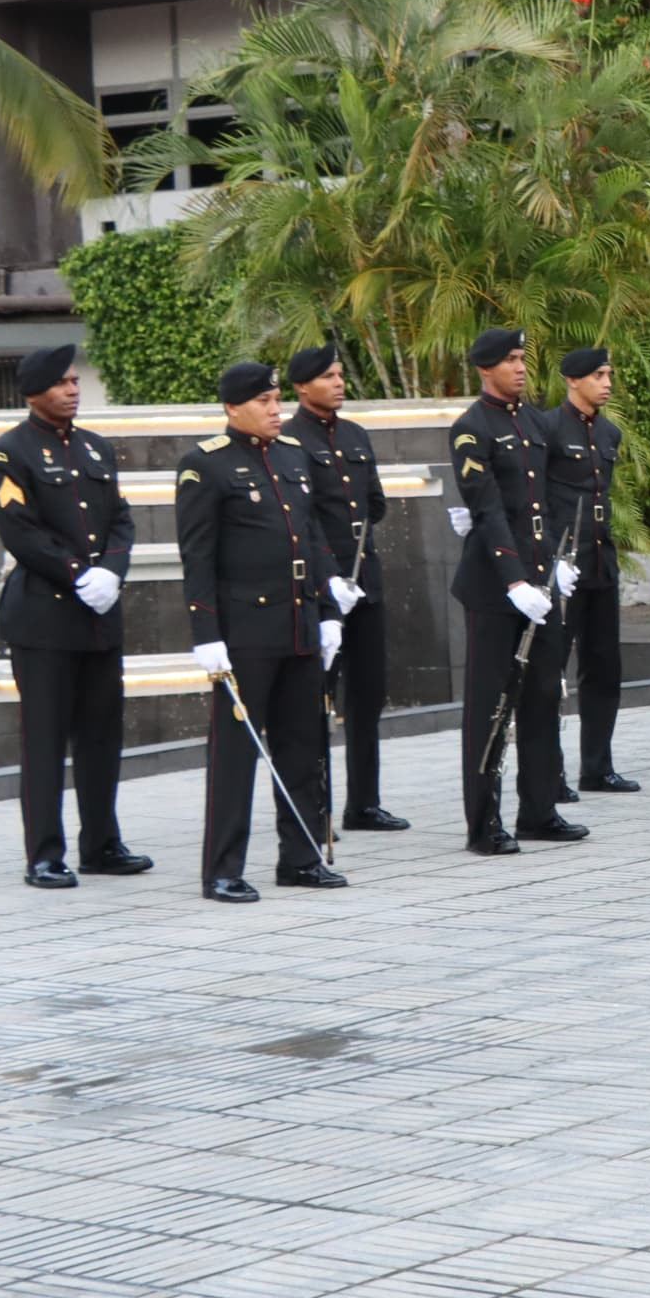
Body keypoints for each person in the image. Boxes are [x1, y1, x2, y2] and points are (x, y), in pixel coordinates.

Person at [179, 361, 347, 901]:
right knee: (235, 755)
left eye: (277, 400)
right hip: (245, 632)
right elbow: (197, 557)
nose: (277, 410)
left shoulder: (294, 457)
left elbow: (312, 536)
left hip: (297, 623)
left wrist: (327, 610)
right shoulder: (205, 466)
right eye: (264, 402)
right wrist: (206, 634)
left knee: (303, 747)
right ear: (233, 408)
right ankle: (223, 869)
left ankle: (300, 858)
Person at [0, 341, 148, 889]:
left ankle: (101, 843)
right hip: (45, 617)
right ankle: (44, 853)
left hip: (99, 616)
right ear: (35, 392)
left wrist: (113, 572)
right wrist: (80, 571)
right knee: (46, 739)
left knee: (102, 735)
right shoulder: (9, 454)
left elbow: (122, 521)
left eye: (76, 382)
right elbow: (20, 530)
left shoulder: (97, 449)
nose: (73, 390)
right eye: (62, 383)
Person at [448, 327, 578, 853]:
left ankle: (539, 810)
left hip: (540, 582)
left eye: (524, 358)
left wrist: (559, 564)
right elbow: (488, 510)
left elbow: (549, 501)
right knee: (490, 707)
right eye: (510, 360)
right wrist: (515, 580)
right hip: (494, 586)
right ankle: (484, 824)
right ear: (485, 369)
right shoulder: (469, 428)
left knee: (543, 697)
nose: (521, 368)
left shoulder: (534, 421)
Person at [281, 344, 398, 833]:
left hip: (363, 577)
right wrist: (327, 576)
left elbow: (375, 503)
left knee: (367, 695)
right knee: (315, 702)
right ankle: (317, 807)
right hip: (319, 584)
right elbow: (298, 520)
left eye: (338, 374)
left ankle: (364, 803)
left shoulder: (354, 434)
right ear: (302, 387)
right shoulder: (288, 442)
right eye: (327, 376)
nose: (338, 382)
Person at [539, 345, 634, 791]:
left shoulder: (609, 433)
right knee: (550, 668)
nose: (607, 382)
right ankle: (550, 772)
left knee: (603, 666)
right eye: (598, 374)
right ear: (572, 380)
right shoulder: (547, 429)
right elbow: (535, 499)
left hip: (599, 562)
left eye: (609, 374)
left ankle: (597, 766)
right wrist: (547, 560)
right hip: (561, 565)